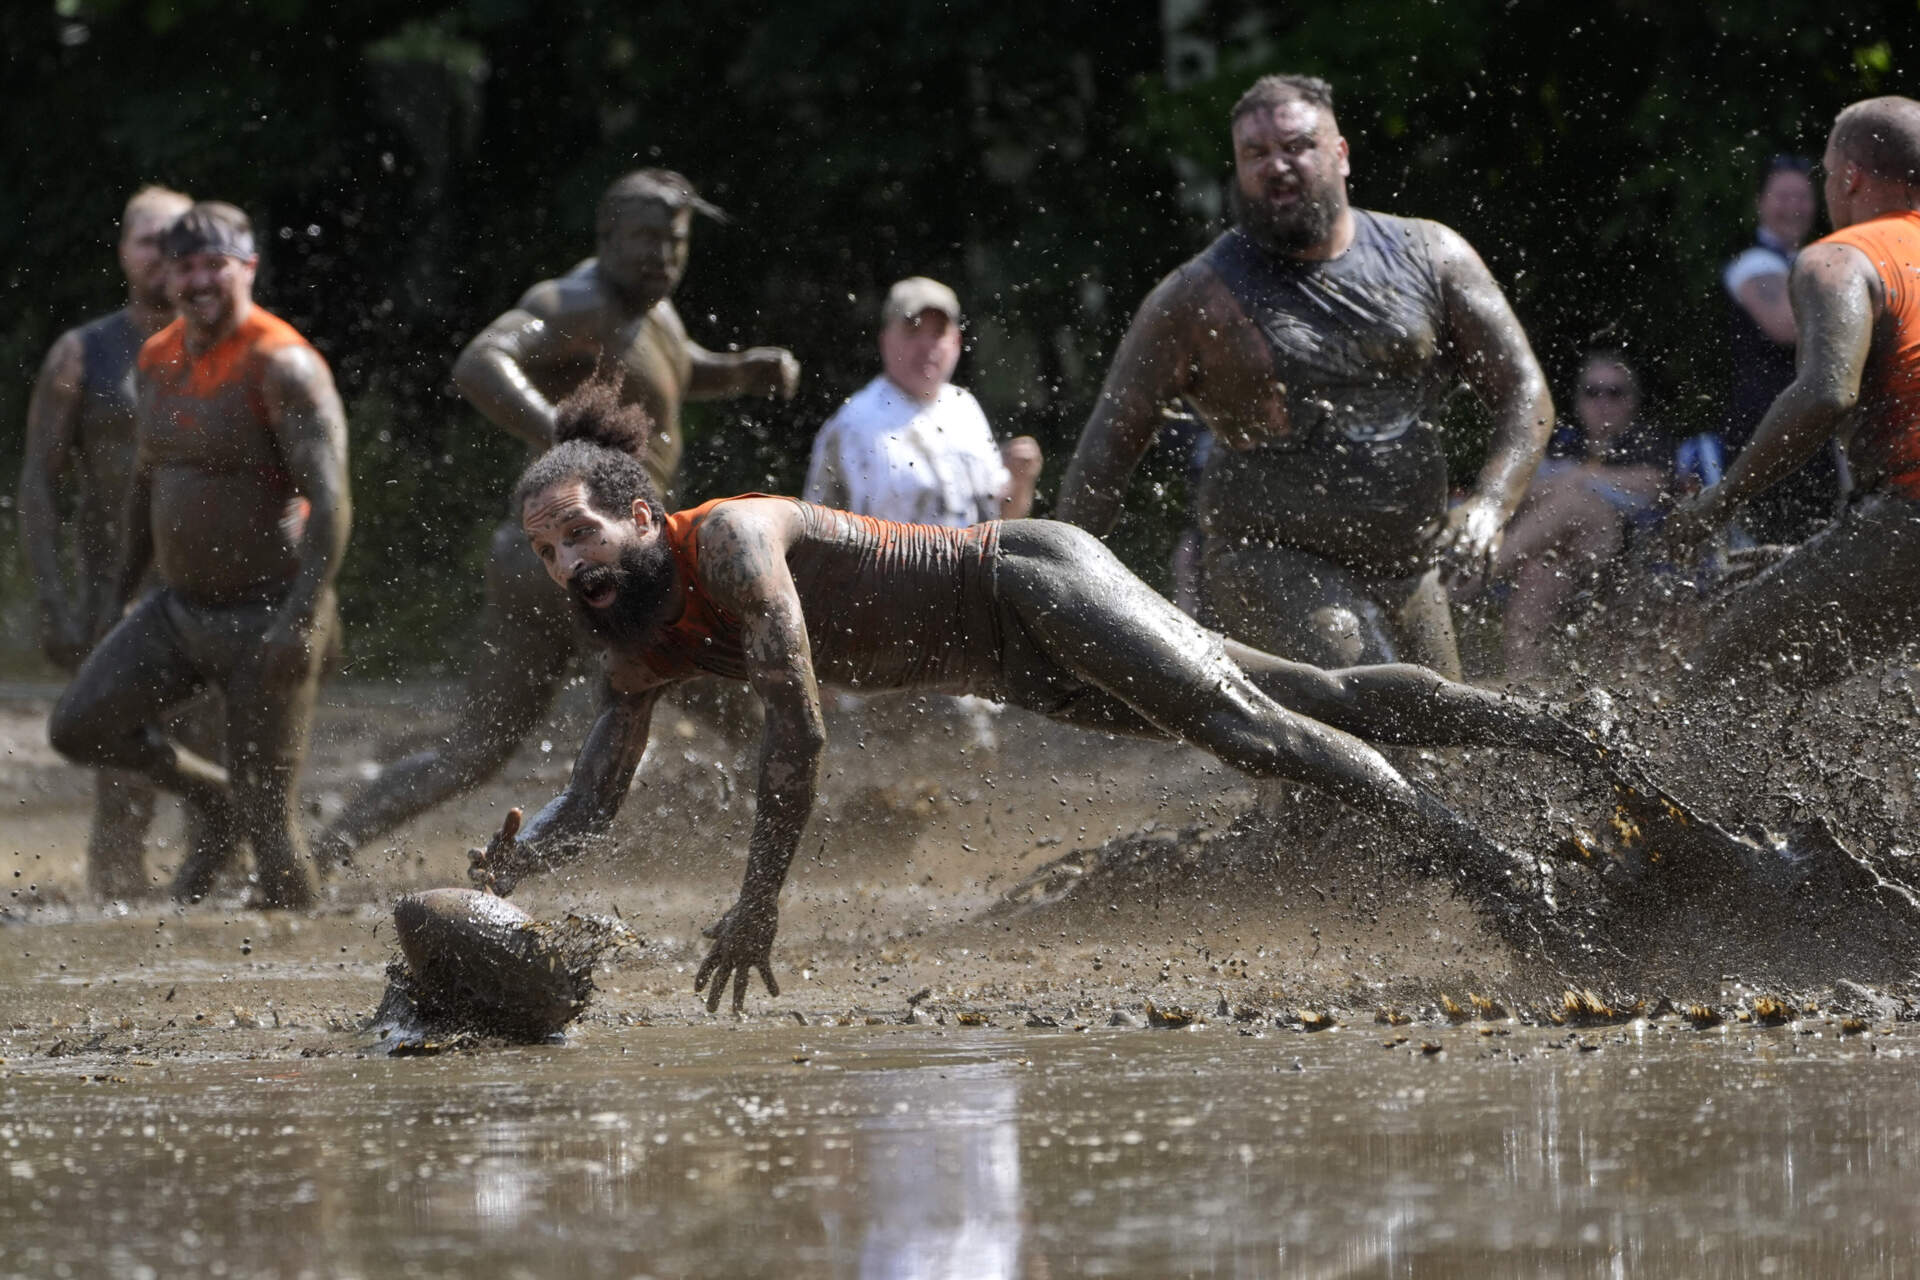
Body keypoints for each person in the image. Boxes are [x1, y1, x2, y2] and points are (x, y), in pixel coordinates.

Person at [468, 378, 1633, 1013]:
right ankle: (1559, 730)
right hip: (1011, 665)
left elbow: (803, 726)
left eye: (578, 534)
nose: (569, 565)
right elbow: (593, 799)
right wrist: (524, 864)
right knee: (1312, 691)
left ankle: (1500, 874)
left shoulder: (727, 543)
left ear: (635, 512)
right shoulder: (634, 644)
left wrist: (758, 901)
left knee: (1256, 728)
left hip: (1024, 578)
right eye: (547, 553)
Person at [312, 169, 799, 867]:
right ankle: (807, 838)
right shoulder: (574, 301)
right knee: (723, 690)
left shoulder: (651, 312)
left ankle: (327, 850)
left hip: (544, 560)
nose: (662, 257)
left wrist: (741, 370)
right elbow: (482, 361)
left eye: (676, 242)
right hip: (578, 560)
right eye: (645, 241)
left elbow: (676, 370)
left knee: (476, 748)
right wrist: (561, 433)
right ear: (607, 238)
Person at [1055, 74, 1552, 680]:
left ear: (1340, 154)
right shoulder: (1195, 297)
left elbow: (1525, 392)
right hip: (1266, 554)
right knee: (1361, 695)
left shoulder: (1431, 255)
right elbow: (1110, 444)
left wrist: (1489, 506)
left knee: (1437, 738)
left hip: (1406, 560)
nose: (1277, 167)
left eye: (1296, 147)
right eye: (1255, 155)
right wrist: (1061, 587)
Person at [47, 202, 351, 908]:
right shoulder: (157, 361)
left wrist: (302, 618)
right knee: (78, 724)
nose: (200, 279)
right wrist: (112, 598)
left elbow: (334, 504)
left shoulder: (284, 364)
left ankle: (303, 972)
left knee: (273, 832)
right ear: (171, 279)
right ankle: (214, 799)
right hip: (178, 610)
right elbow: (145, 490)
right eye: (186, 266)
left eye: (215, 263)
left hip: (269, 610)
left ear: (247, 267)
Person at [1664, 97, 1920, 694]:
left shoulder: (1839, 257)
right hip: (1890, 514)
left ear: (1850, 176)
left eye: (1828, 176)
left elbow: (1826, 392)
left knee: (1714, 683)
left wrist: (1719, 501)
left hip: (1907, 514)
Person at [18, 184, 213, 899]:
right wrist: (55, 600)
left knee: (222, 759)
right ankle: (117, 914)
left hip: (215, 587)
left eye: (178, 239)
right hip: (118, 593)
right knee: (126, 770)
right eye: (147, 239)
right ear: (123, 251)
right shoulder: (83, 354)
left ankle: (218, 924)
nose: (163, 253)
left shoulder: (238, 347)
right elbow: (38, 485)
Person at [803, 276, 1041, 525]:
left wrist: (1021, 481)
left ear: (957, 342)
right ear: (885, 340)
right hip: (887, 564)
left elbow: (1000, 522)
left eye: (938, 333)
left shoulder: (965, 409)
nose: (927, 346)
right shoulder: (852, 425)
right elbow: (817, 535)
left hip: (969, 564)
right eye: (913, 330)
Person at [1490, 352, 1671, 680]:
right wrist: (1573, 478)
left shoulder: (1646, 440)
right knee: (1538, 573)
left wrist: (1577, 478)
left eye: (1615, 392)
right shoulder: (1563, 442)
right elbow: (1521, 493)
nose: (1603, 401)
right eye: (1592, 391)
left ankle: (1481, 570)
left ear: (1632, 400)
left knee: (1575, 502)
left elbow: (1653, 484)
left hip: (1624, 553)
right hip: (1563, 554)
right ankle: (1525, 686)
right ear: (1577, 399)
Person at [1712, 155, 1848, 544]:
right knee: (1773, 553)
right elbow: (1784, 327)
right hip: (1767, 430)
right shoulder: (1754, 264)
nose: (1794, 207)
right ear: (1760, 203)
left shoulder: (1811, 261)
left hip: (1809, 430)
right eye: (1782, 196)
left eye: (1802, 196)